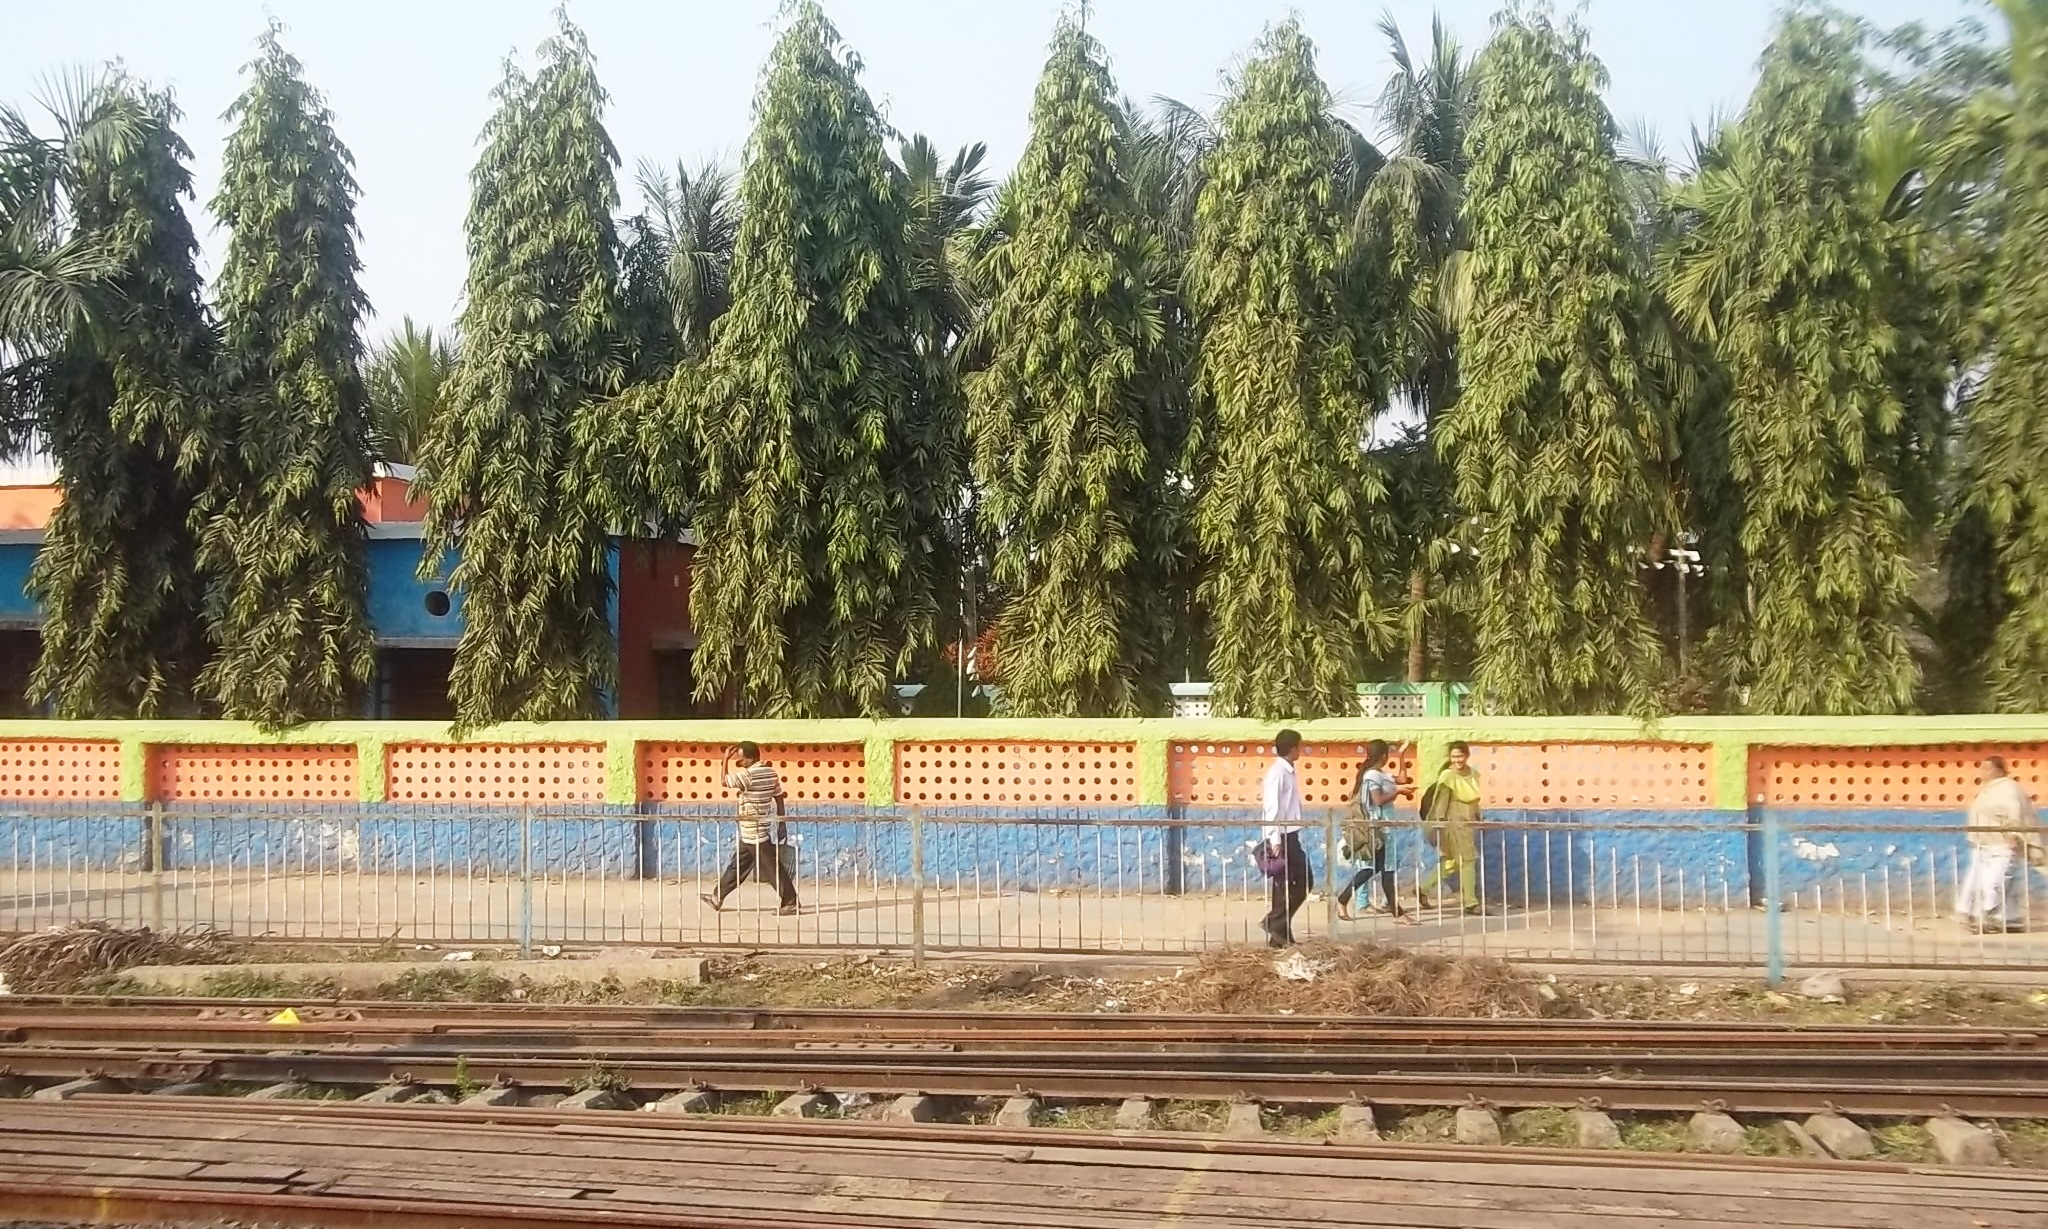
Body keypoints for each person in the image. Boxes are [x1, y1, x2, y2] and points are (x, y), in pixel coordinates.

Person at [701, 741, 798, 916]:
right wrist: (781, 821)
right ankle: (718, 897)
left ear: (751, 758)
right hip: (753, 829)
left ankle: (791, 902)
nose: (739, 762)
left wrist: (724, 760)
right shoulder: (771, 773)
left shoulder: (749, 775)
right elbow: (779, 797)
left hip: (755, 831)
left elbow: (724, 781)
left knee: (772, 868)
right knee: (737, 866)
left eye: (741, 759)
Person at [1956, 756, 2043, 934]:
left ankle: (1988, 917)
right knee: (1976, 882)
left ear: (2000, 770)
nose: (1983, 772)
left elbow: (2014, 811)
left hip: (2002, 844)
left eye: (1987, 768)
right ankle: (2010, 919)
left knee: (1993, 883)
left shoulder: (2008, 788)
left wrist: (2012, 833)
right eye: (1981, 768)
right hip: (1982, 843)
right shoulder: (1987, 790)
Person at [1336, 740, 1413, 923]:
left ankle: (1343, 900)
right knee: (1383, 868)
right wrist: (1398, 793)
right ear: (1384, 756)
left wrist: (1402, 757)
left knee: (1379, 868)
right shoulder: (1372, 775)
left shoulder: (1381, 774)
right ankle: (1397, 913)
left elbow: (1402, 779)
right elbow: (1377, 800)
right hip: (1377, 828)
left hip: (1385, 827)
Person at [1416, 740, 1484, 915]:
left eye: (1460, 756)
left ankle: (1423, 889)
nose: (1457, 760)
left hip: (1468, 823)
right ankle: (1470, 902)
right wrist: (1438, 826)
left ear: (1467, 756)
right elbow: (1440, 803)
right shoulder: (1447, 776)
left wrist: (1478, 818)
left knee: (1452, 862)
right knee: (1468, 859)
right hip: (1452, 822)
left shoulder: (1475, 774)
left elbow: (1475, 801)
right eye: (1454, 757)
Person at [1259, 728, 1311, 948]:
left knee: (1290, 885)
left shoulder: (1288, 771)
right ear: (1292, 749)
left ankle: (1279, 936)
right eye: (1298, 746)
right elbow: (1272, 807)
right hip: (1282, 836)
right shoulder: (1278, 773)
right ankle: (1274, 923)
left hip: (1291, 833)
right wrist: (1275, 839)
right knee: (1295, 883)